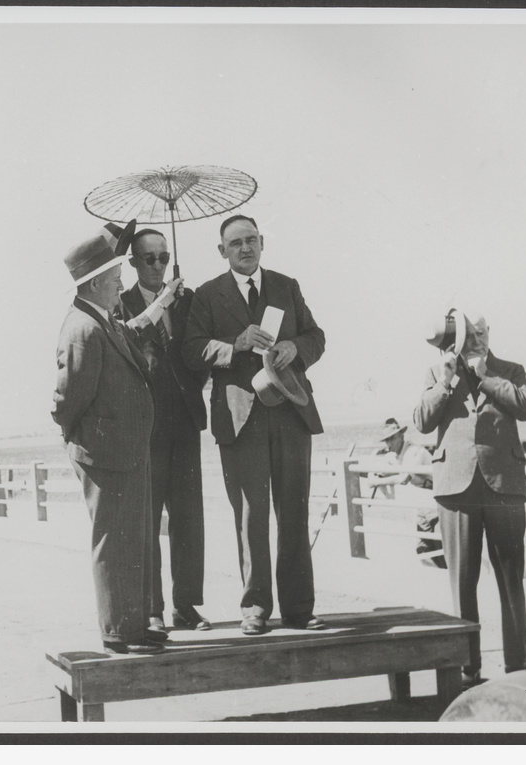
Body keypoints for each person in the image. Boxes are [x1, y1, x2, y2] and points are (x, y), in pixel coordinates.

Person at [183, 214, 326, 636]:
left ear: (262, 242)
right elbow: (191, 350)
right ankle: (256, 608)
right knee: (250, 516)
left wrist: (293, 347)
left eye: (251, 240)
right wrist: (235, 345)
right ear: (221, 251)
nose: (244, 249)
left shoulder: (287, 286)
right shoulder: (207, 296)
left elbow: (317, 337)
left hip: (290, 411)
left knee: (294, 512)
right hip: (240, 418)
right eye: (235, 243)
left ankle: (300, 609)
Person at [51, 225, 179, 654]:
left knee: (135, 538)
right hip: (105, 454)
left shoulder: (101, 319)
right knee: (113, 541)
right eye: (115, 280)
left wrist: (162, 303)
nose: (122, 285)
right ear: (96, 283)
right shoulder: (83, 329)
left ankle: (136, 623)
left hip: (125, 452)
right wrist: (80, 439)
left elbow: (134, 330)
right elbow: (66, 401)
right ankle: (120, 630)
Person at [413, 310, 526, 684]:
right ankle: (468, 666)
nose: (478, 339)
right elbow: (421, 421)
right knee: (462, 581)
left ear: (489, 332)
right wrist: (447, 380)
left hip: (504, 485)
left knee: (512, 579)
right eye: (471, 334)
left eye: (483, 332)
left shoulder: (510, 369)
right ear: (459, 337)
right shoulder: (438, 372)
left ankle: (518, 665)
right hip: (456, 487)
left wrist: (486, 377)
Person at [119, 229, 211, 632]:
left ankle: (186, 605)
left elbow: (201, 348)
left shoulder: (190, 300)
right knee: (148, 518)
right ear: (134, 263)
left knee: (189, 517)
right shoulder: (120, 305)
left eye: (162, 256)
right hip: (147, 424)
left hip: (187, 419)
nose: (157, 265)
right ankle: (152, 608)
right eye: (148, 258)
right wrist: (161, 303)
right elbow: (127, 347)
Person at [366, 418, 443, 568]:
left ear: (401, 436)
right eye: (386, 440)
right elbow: (376, 470)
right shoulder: (393, 456)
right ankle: (437, 582)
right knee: (423, 549)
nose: (389, 444)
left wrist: (377, 482)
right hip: (422, 506)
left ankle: (450, 582)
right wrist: (376, 475)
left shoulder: (415, 451)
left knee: (441, 548)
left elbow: (403, 478)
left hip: (439, 504)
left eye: (392, 438)